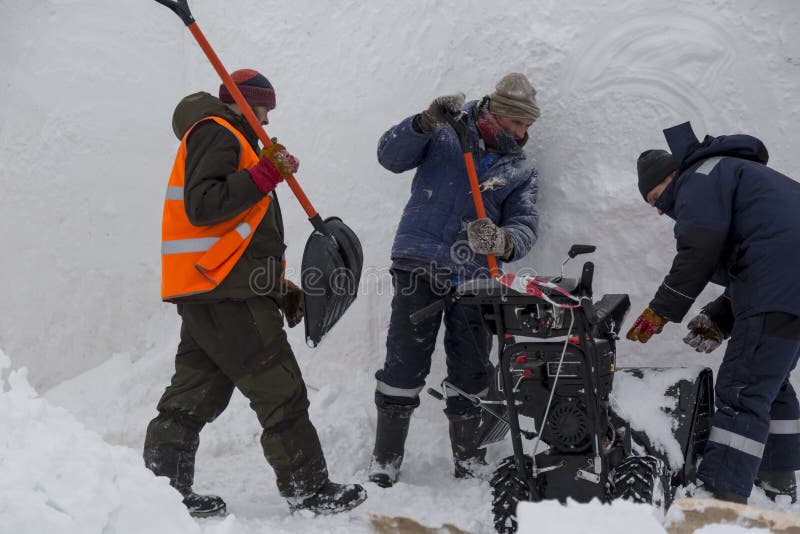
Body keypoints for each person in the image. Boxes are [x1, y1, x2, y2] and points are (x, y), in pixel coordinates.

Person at [143, 69, 366, 516]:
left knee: (192, 395)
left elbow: (240, 234)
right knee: (279, 388)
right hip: (228, 296)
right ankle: (309, 488)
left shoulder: (231, 140)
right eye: (264, 109)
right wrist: (264, 174)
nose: (267, 120)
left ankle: (159, 493)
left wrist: (275, 284)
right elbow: (204, 206)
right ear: (248, 103)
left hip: (215, 288)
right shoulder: (219, 133)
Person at [368, 73, 540, 487]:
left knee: (472, 368)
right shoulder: (447, 131)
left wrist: (501, 240)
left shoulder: (520, 169)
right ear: (497, 115)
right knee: (404, 361)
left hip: (476, 277)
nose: (523, 134)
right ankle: (385, 459)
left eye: (528, 127)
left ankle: (469, 460)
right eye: (519, 124)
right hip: (420, 261)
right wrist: (423, 122)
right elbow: (389, 156)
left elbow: (526, 225)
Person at [628, 122, 800, 504]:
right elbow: (761, 254)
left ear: (671, 177)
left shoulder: (698, 178)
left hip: (778, 284)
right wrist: (722, 317)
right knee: (771, 385)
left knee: (742, 391)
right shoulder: (729, 172)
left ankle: (719, 494)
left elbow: (699, 249)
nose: (659, 211)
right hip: (786, 285)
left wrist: (660, 309)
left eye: (656, 198)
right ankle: (778, 482)